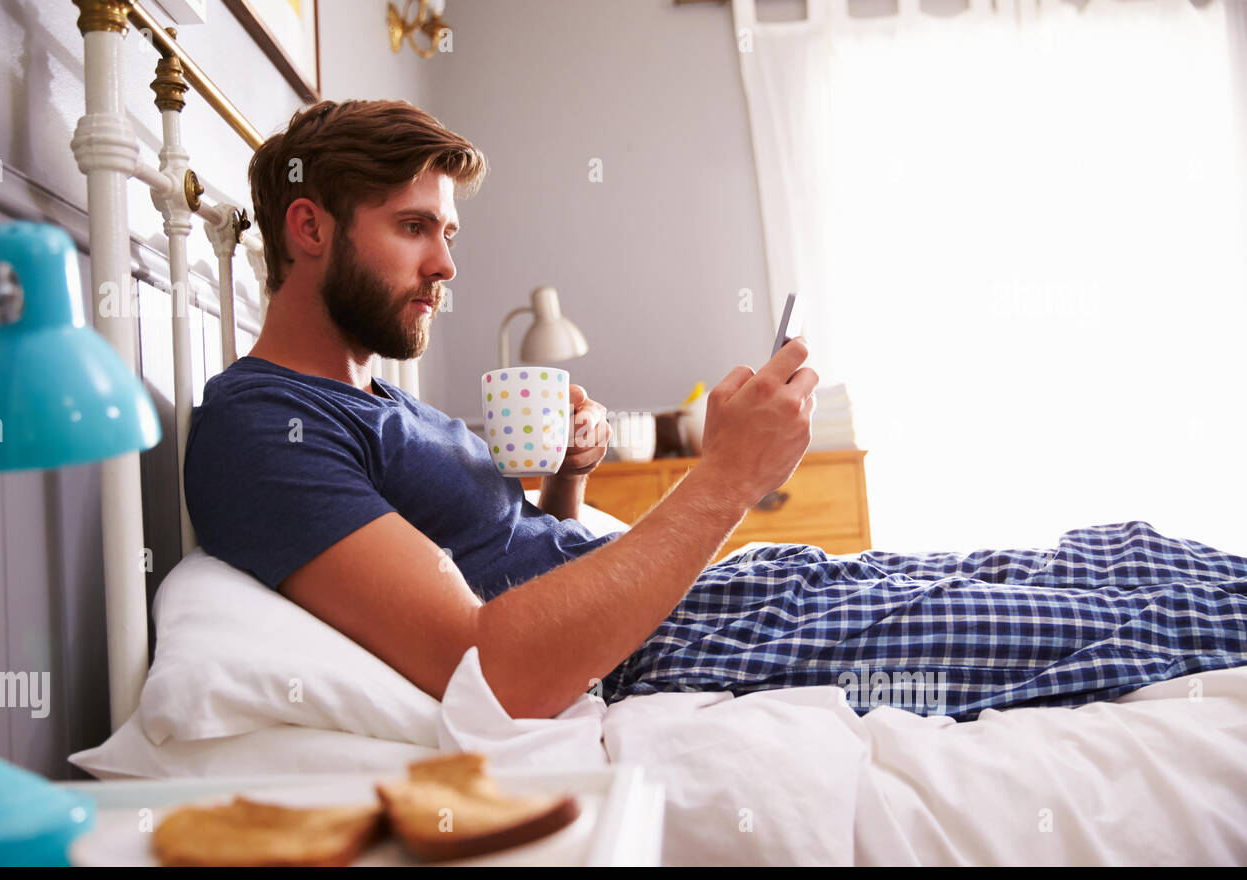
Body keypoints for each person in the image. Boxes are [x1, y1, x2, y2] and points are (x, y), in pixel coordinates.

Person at [184, 99, 1247, 722]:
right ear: (311, 229)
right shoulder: (257, 424)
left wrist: (569, 479)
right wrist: (728, 476)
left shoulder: (371, 398)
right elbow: (489, 667)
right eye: (417, 227)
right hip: (670, 646)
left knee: (1122, 555)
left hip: (706, 593)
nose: (449, 264)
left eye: (448, 230)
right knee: (1102, 621)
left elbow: (505, 555)